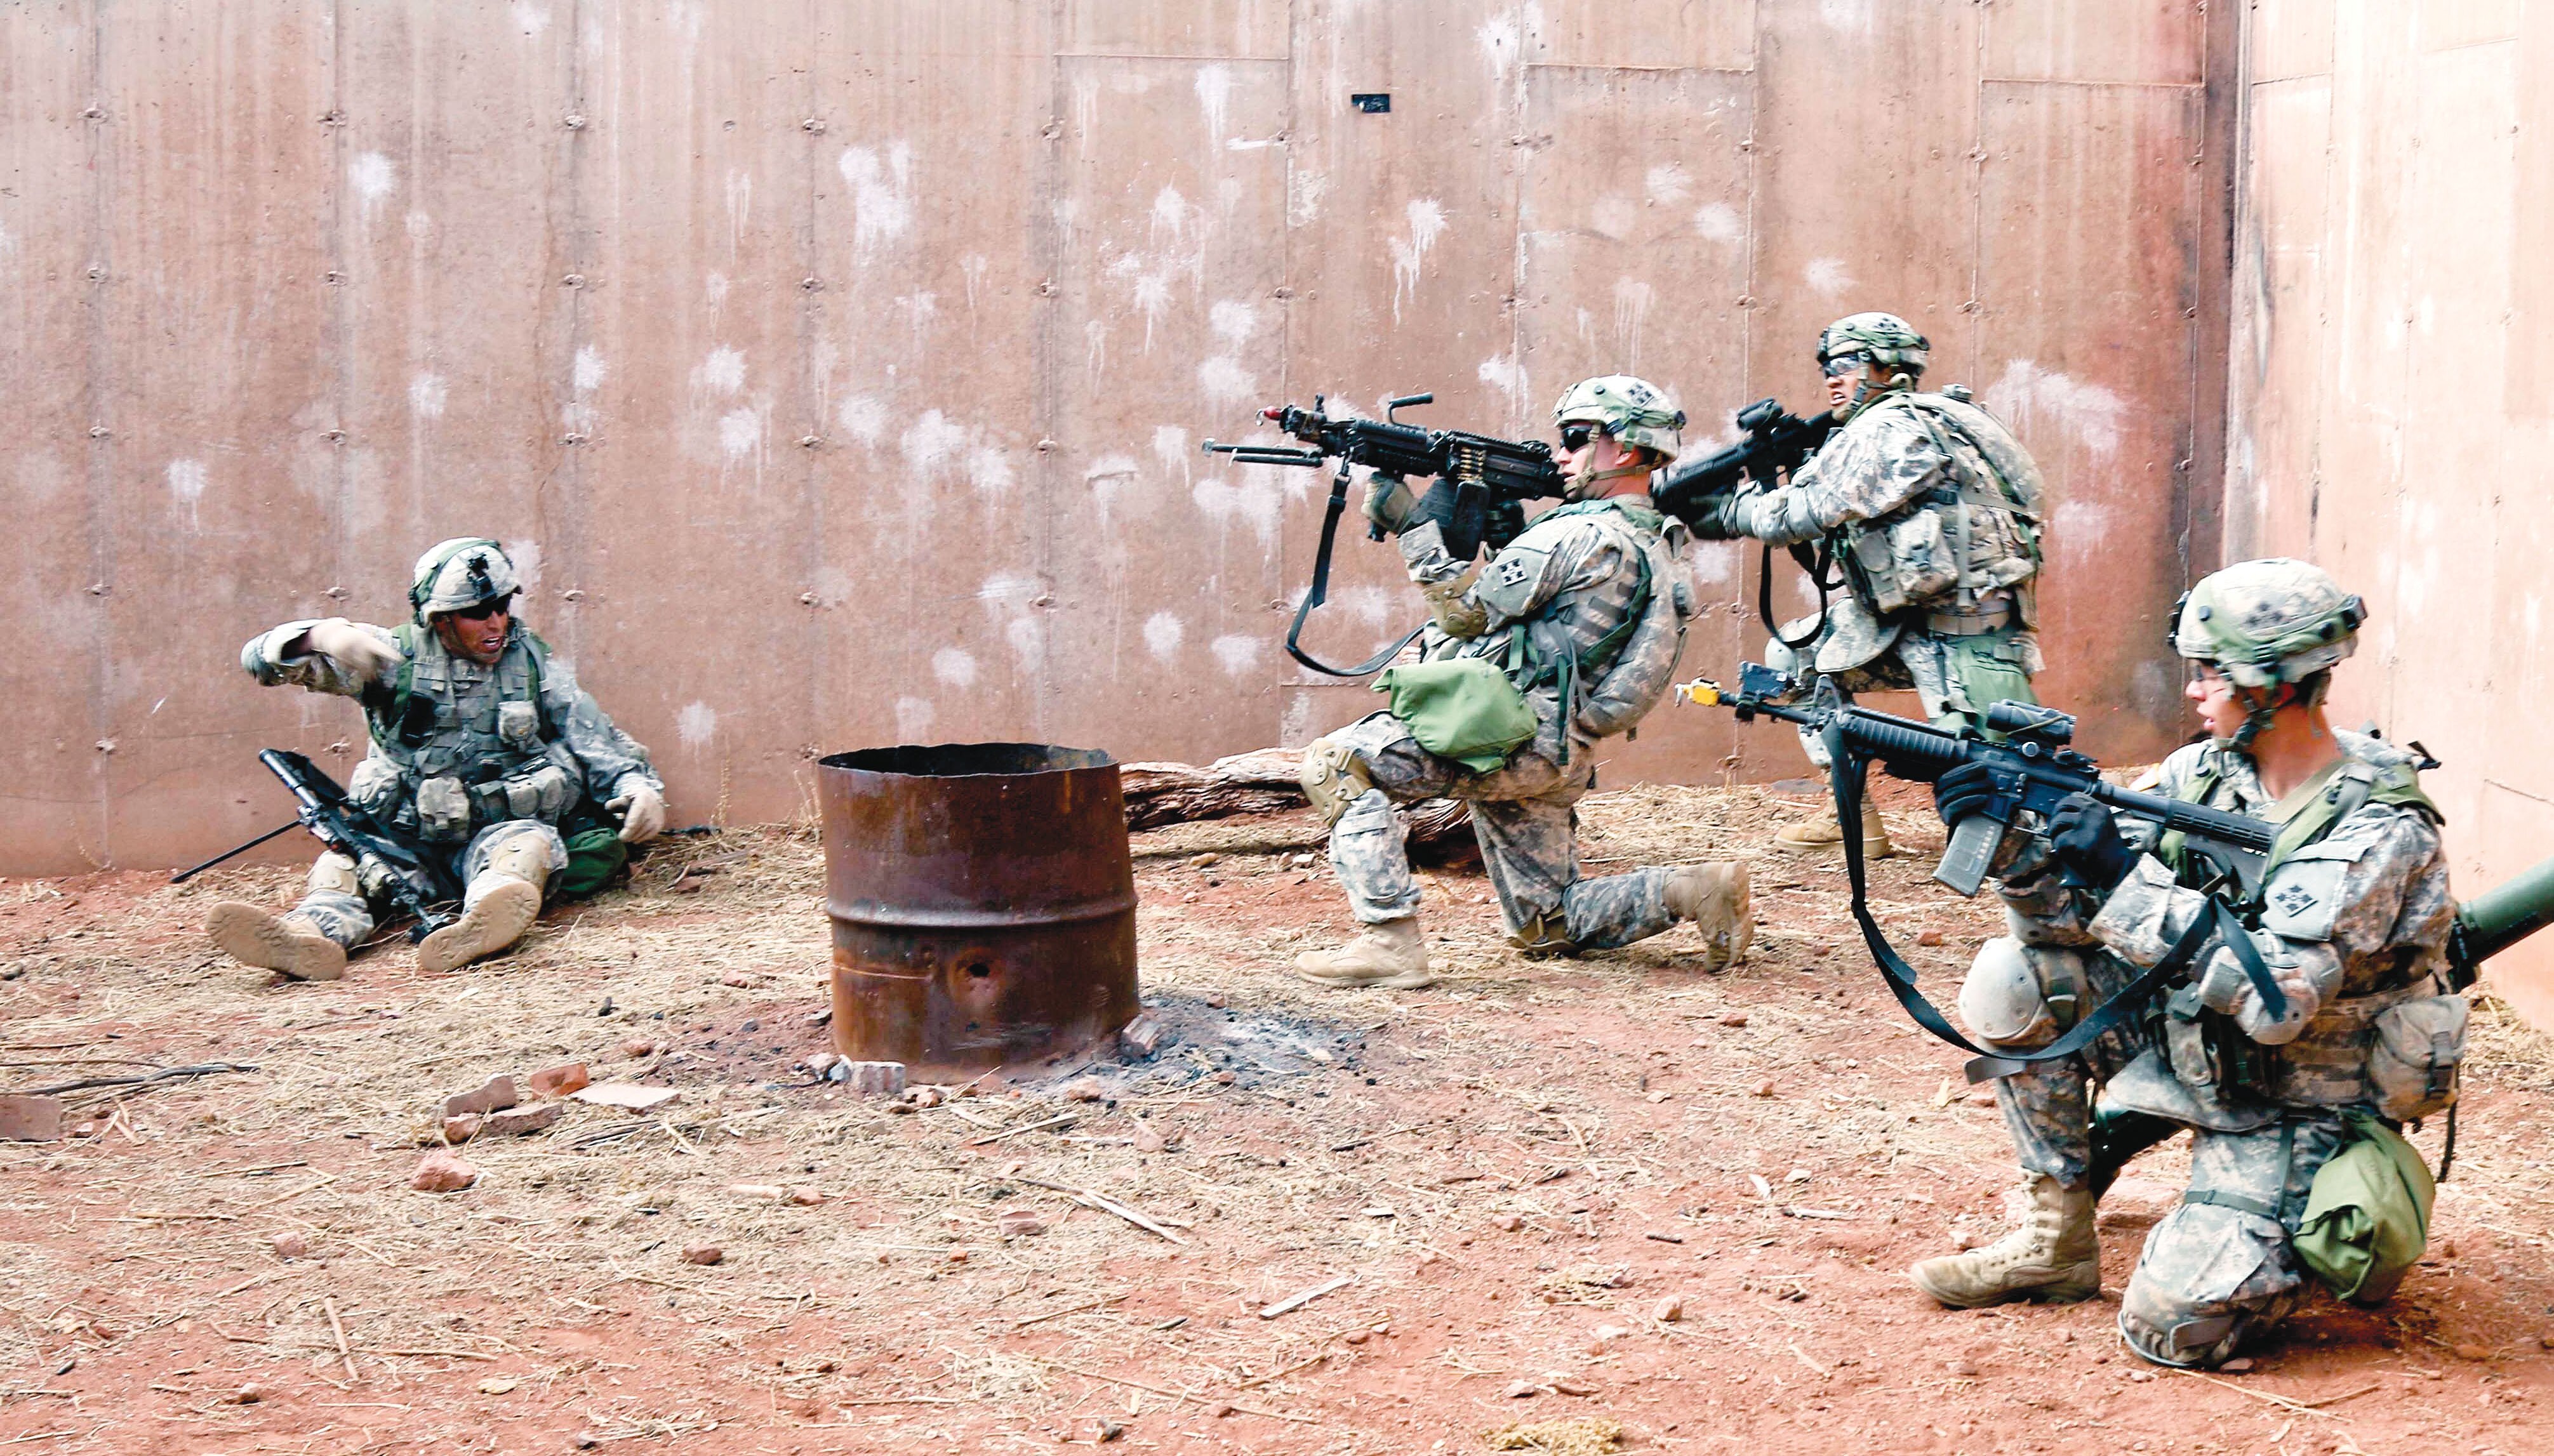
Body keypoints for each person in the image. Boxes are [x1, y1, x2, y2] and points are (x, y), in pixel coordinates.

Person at [1908, 559, 2458, 1370]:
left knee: (2171, 1326)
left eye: (2210, 673)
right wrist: (2020, 851)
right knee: (2019, 973)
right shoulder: (2202, 772)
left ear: (2269, 683)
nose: (2194, 690)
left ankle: (2289, 1231)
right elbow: (2069, 927)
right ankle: (2054, 1241)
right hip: (2201, 1041)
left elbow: (2279, 1001)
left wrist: (2124, 881)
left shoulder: (2375, 823)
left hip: (2306, 1098)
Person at [1291, 376, 1753, 989]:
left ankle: (1389, 941)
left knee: (1335, 763)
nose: (1559, 452)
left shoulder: (1576, 533)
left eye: (1574, 437)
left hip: (1507, 737)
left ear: (1627, 451)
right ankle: (1693, 890)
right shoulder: (1651, 538)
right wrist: (1507, 533)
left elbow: (1463, 614)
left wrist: (1410, 526)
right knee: (1547, 923)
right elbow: (1555, 616)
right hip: (1557, 747)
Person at [206, 538, 667, 980]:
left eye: (502, 606)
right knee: (343, 868)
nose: (495, 623)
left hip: (496, 833)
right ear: (441, 619)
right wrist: (319, 637)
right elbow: (258, 662)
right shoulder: (394, 658)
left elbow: (590, 733)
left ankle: (481, 927)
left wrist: (635, 785)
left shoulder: (529, 664)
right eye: (476, 613)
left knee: (526, 851)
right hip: (404, 840)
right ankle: (304, 940)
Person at [1691, 312, 2047, 857]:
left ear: (1886, 368)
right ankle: (1850, 817)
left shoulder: (1887, 426)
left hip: (1967, 634)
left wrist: (1728, 512)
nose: (1832, 378)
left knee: (2009, 812)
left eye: (1846, 365)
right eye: (1826, 367)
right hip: (1905, 617)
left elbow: (1803, 512)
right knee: (1796, 659)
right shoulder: (1947, 415)